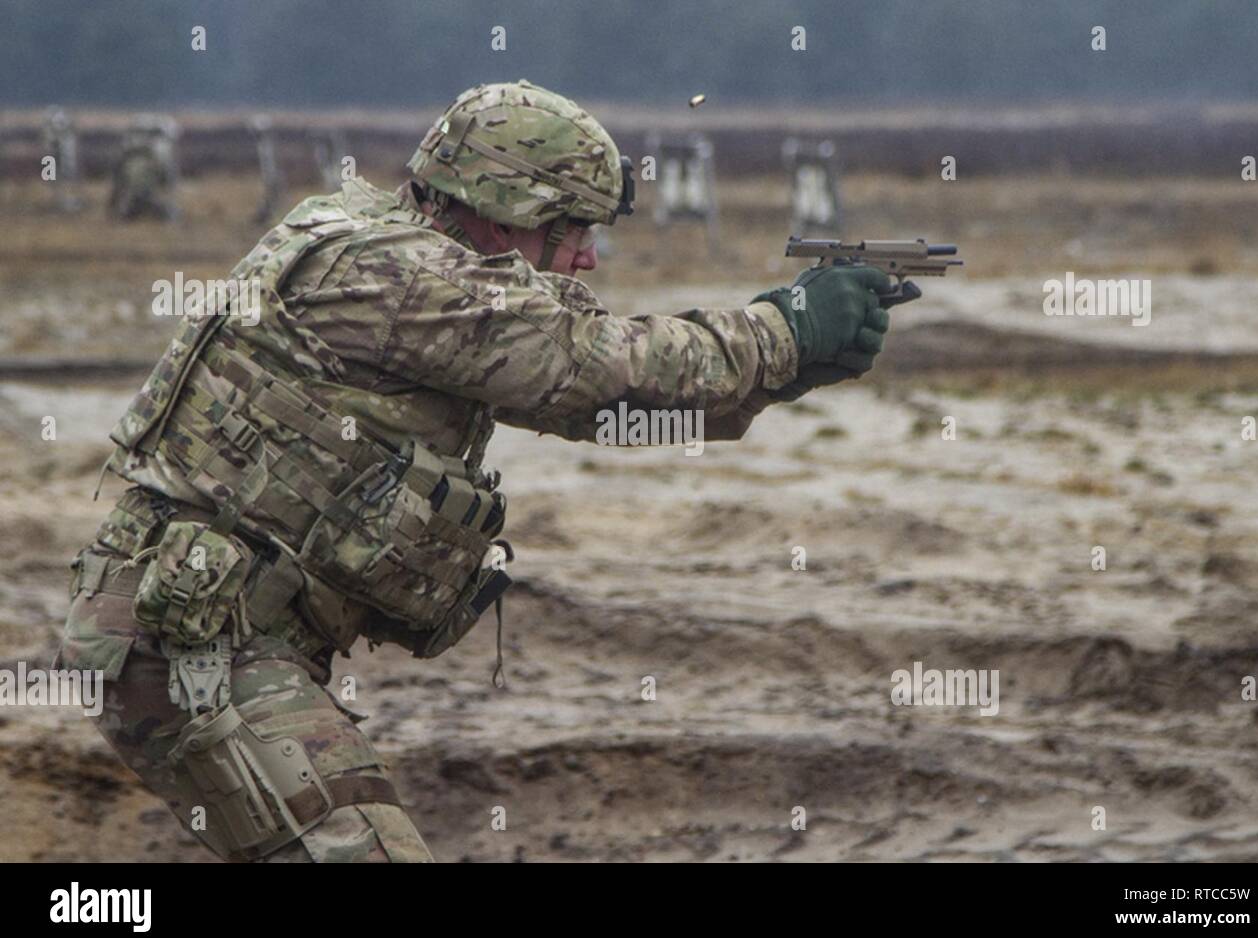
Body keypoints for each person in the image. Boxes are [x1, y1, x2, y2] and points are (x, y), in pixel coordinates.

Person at [55, 80, 892, 862]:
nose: (588, 260)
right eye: (575, 230)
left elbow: (597, 409)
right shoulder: (391, 272)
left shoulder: (423, 274)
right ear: (505, 217)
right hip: (191, 646)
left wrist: (783, 372)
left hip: (221, 637)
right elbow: (590, 364)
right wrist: (780, 332)